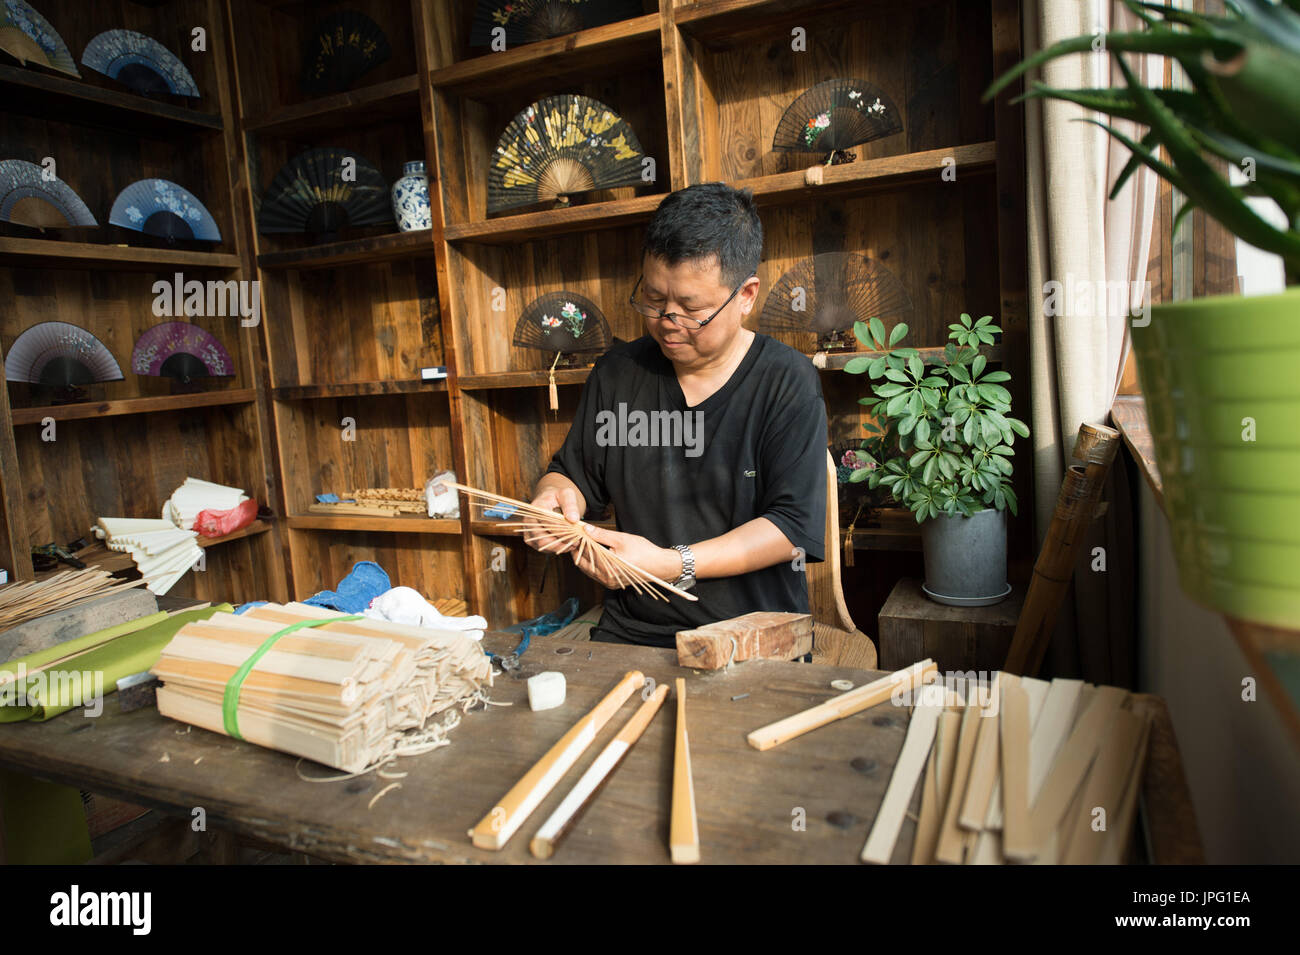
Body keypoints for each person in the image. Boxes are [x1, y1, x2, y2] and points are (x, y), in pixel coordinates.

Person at [528, 182, 828, 647]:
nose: (667, 321)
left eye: (691, 309)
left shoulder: (786, 381)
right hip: (633, 631)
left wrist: (673, 563)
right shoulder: (617, 374)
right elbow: (570, 476)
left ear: (746, 295)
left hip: (751, 636)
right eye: (653, 299)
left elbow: (790, 527)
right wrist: (553, 501)